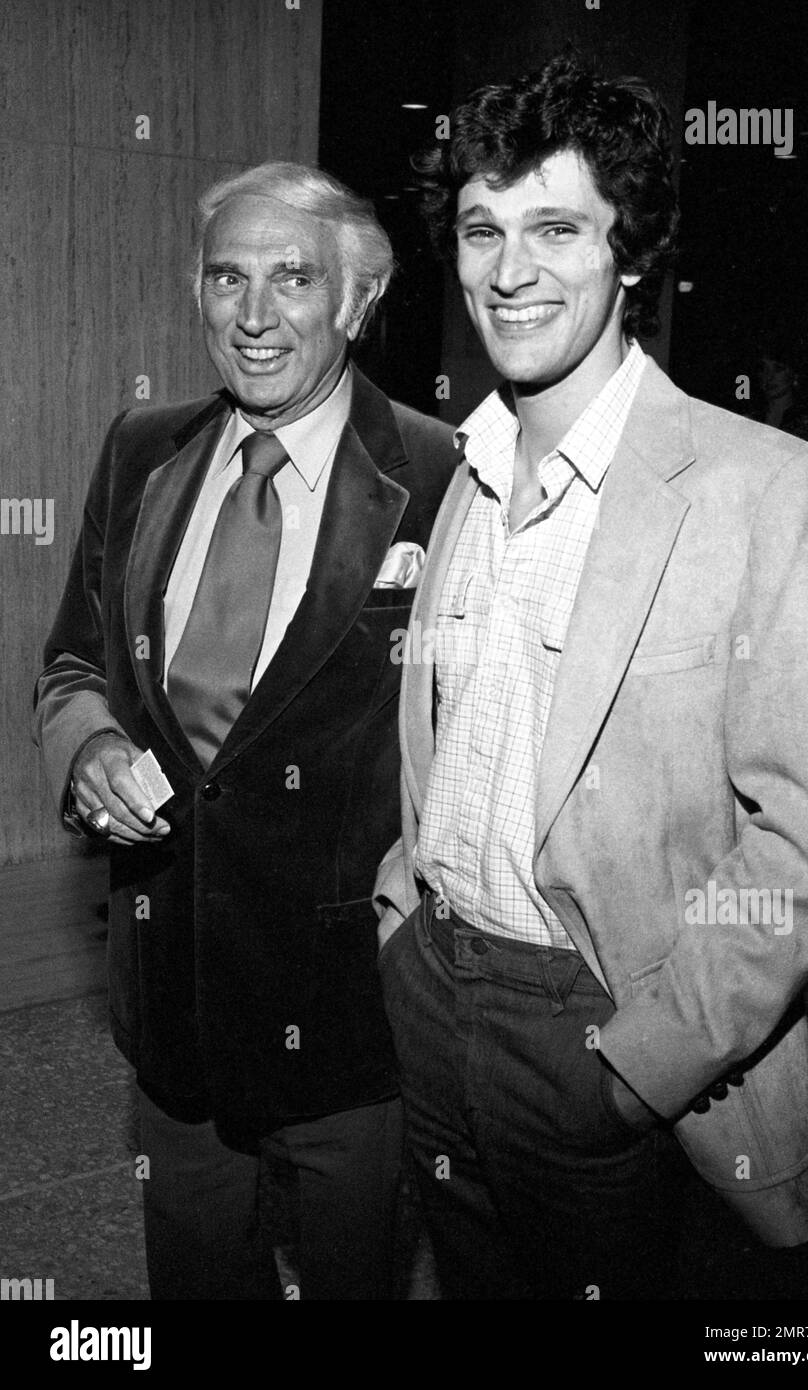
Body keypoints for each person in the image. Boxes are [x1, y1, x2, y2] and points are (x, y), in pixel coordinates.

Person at [373, 53, 808, 1300]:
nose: (508, 269)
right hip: (434, 993)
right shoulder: (461, 471)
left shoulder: (764, 488)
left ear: (632, 253)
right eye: (481, 229)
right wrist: (400, 929)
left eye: (555, 226)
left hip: (605, 1027)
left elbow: (799, 844)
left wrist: (639, 1062)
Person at [33, 161, 455, 1300]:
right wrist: (86, 748)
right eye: (229, 277)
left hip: (350, 1015)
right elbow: (74, 657)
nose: (255, 315)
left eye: (292, 278)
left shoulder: (445, 474)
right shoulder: (141, 449)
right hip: (170, 995)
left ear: (358, 303)